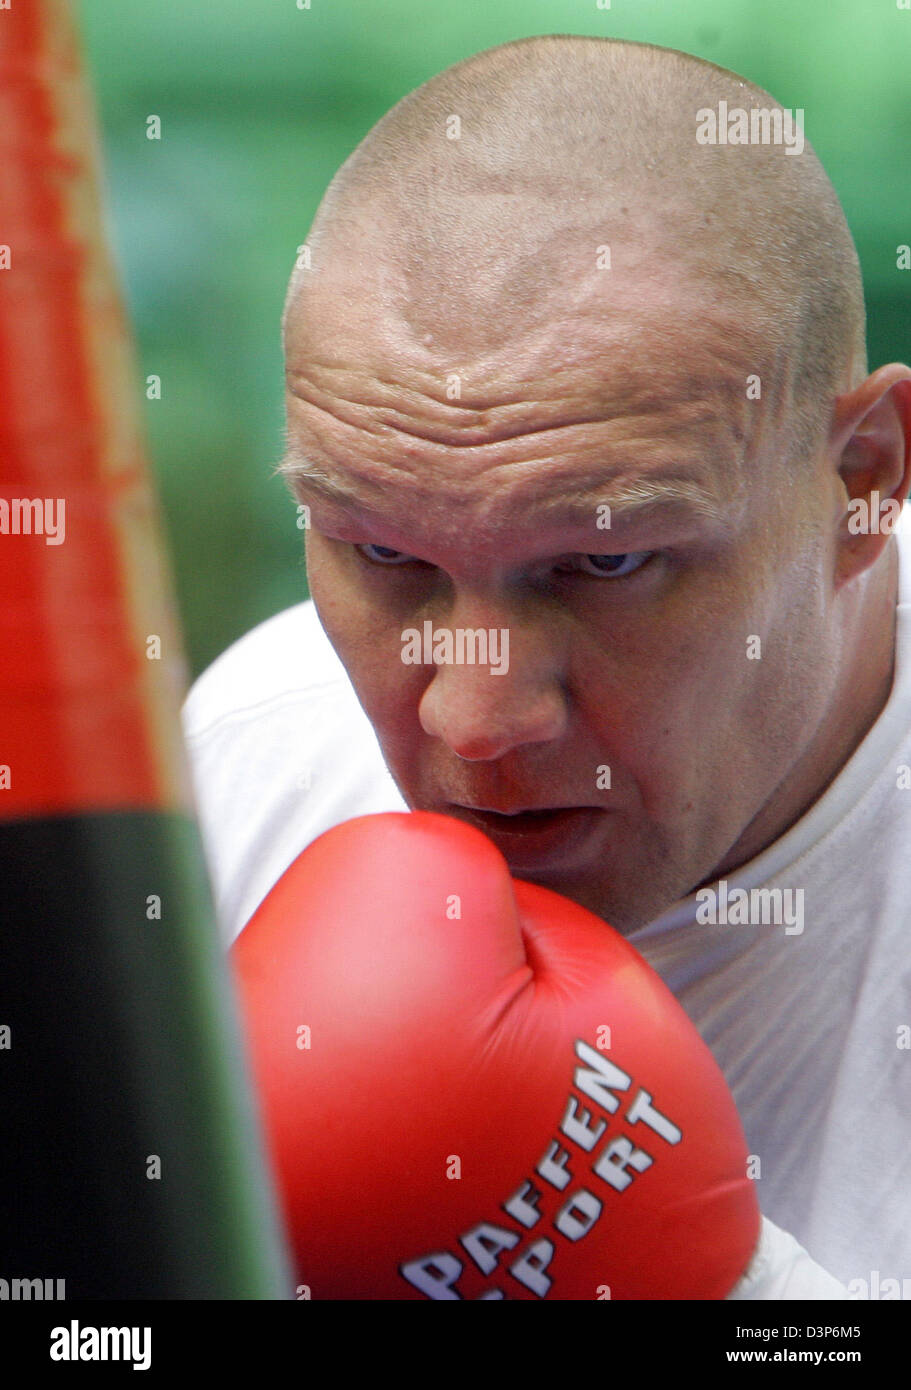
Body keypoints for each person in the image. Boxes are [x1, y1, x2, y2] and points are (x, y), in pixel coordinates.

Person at [182, 35, 911, 1295]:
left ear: (859, 485)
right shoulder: (252, 758)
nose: (476, 719)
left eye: (603, 564)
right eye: (377, 550)